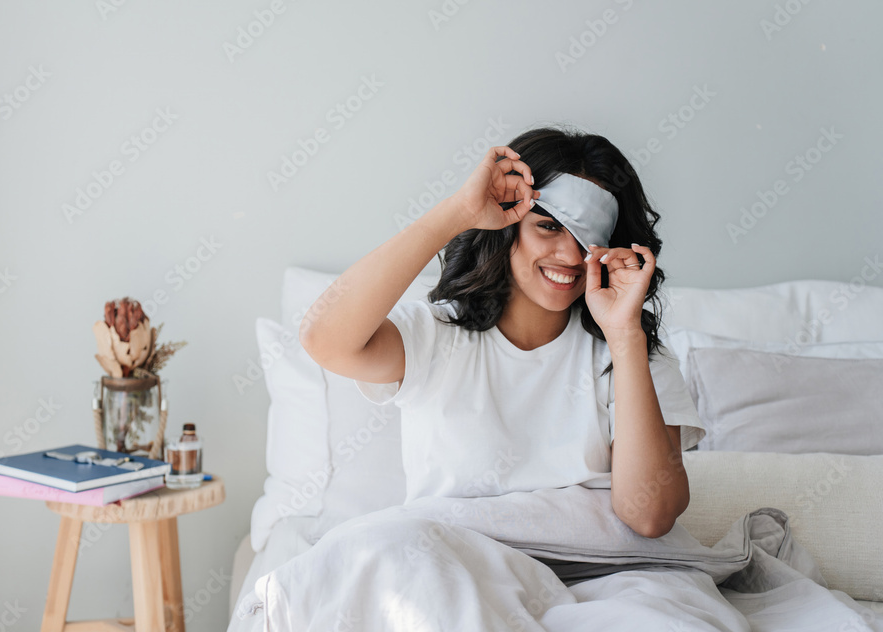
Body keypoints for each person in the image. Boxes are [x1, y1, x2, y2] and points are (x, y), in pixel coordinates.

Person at [299, 125, 707, 540]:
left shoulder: (632, 353)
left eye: (588, 239)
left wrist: (624, 337)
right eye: (548, 227)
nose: (569, 256)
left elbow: (651, 517)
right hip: (456, 570)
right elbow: (323, 339)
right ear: (508, 225)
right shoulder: (436, 335)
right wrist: (460, 211)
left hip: (599, 576)